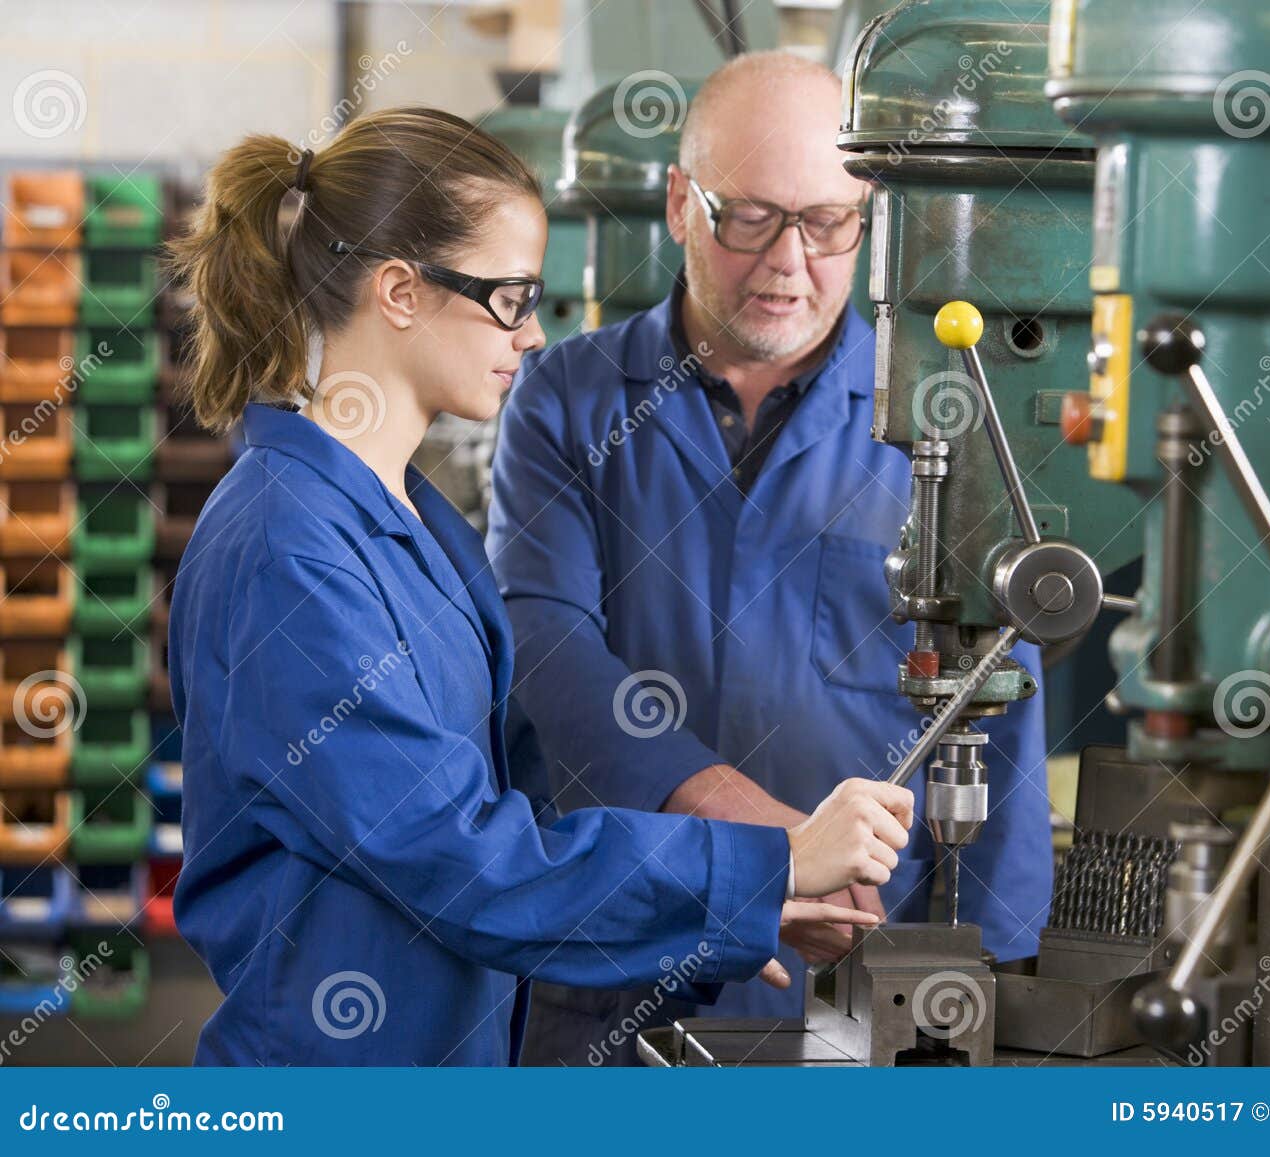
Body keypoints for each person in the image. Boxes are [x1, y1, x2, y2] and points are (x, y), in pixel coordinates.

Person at [163, 106, 914, 1066]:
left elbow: (520, 825)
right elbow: (462, 859)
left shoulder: (418, 525)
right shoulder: (289, 550)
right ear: (400, 291)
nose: (528, 335)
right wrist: (771, 861)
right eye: (510, 297)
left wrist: (736, 909)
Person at [487, 53, 1052, 1065]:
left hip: (866, 970)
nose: (789, 261)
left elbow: (1003, 692)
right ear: (678, 202)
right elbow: (545, 646)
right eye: (747, 217)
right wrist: (769, 844)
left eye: (827, 222)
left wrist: (998, 976)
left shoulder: (947, 410)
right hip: (619, 951)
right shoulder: (567, 399)